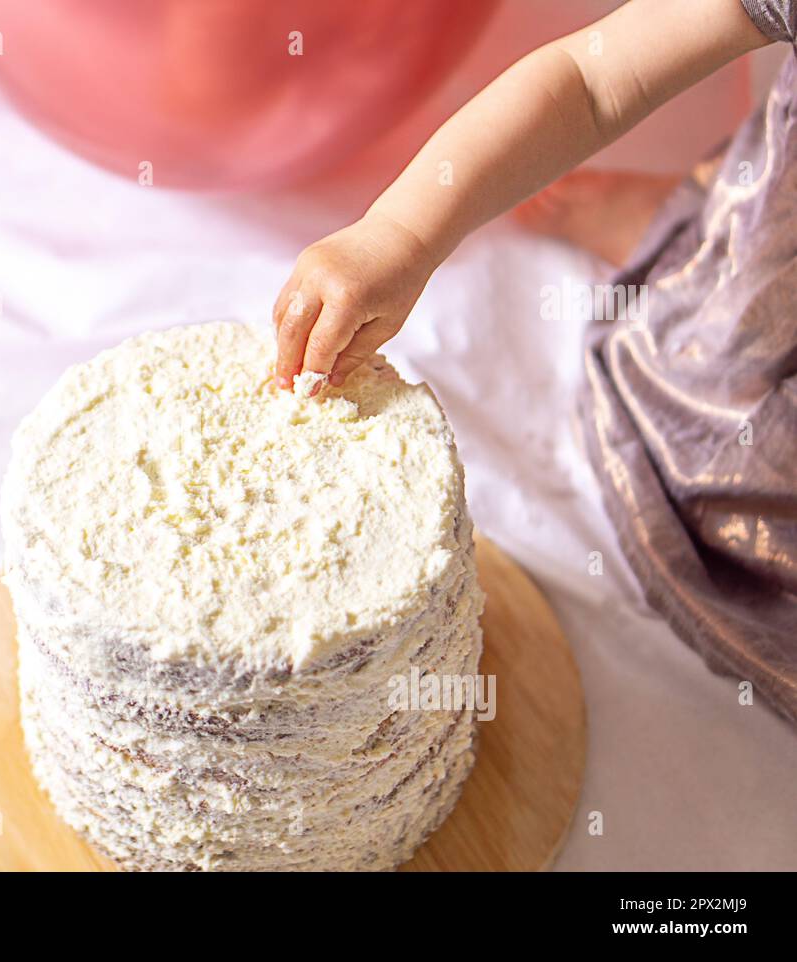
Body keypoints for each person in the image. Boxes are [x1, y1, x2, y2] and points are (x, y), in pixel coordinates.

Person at [272, 0, 797, 723]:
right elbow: (593, 79)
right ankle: (706, 230)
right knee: (737, 273)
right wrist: (398, 232)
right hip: (767, 282)